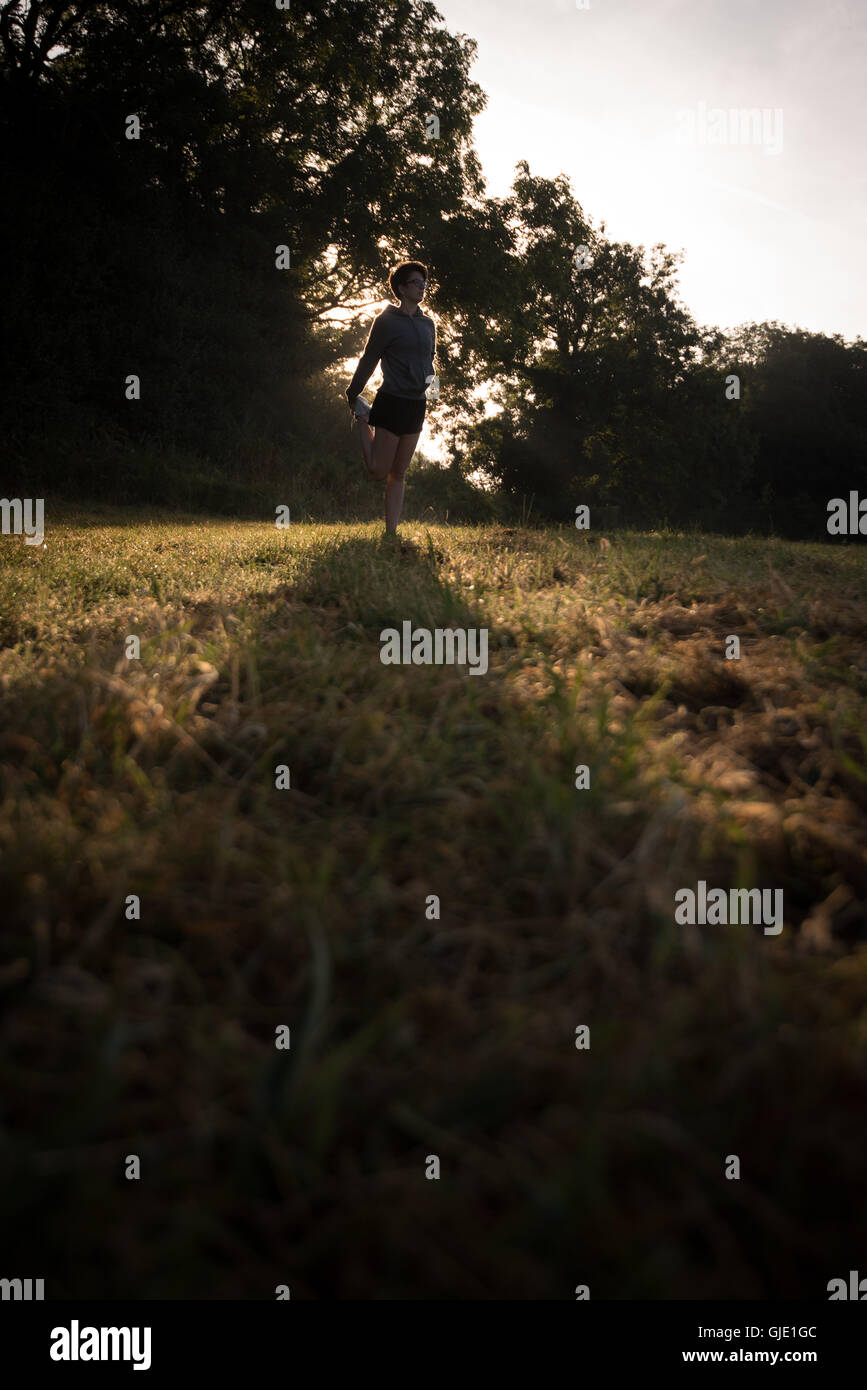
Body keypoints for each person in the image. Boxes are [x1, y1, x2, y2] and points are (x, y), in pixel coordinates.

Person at [345, 260, 437, 536]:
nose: (422, 288)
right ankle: (364, 418)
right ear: (401, 288)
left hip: (416, 405)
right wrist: (353, 392)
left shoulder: (428, 324)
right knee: (377, 471)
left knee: (399, 474)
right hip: (392, 400)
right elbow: (369, 357)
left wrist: (432, 394)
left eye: (425, 284)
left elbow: (430, 361)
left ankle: (391, 534)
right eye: (416, 283)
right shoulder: (385, 322)